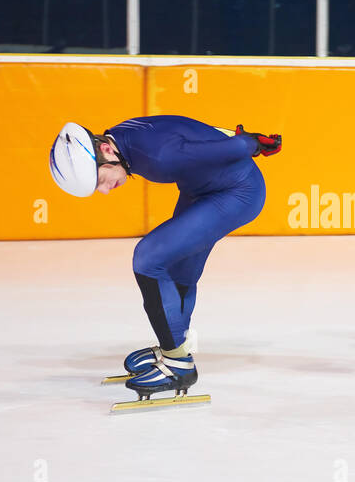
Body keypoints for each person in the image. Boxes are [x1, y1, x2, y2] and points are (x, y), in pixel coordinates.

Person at [49, 115, 281, 398]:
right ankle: (175, 345)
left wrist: (251, 142)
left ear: (106, 151)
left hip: (236, 193)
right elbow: (197, 134)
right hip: (205, 190)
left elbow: (233, 148)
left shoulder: (157, 157)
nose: (105, 190)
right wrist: (242, 139)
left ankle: (178, 364)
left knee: (148, 258)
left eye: (100, 180)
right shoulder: (123, 136)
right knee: (176, 268)